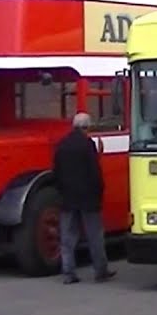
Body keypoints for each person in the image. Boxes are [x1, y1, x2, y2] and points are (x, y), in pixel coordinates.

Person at [53, 112, 116, 284]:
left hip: (67, 197)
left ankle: (68, 272)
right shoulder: (87, 145)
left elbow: (56, 172)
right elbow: (94, 173)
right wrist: (99, 192)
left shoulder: (62, 144)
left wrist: (61, 191)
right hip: (88, 198)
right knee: (94, 235)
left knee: (67, 237)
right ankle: (100, 270)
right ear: (87, 127)